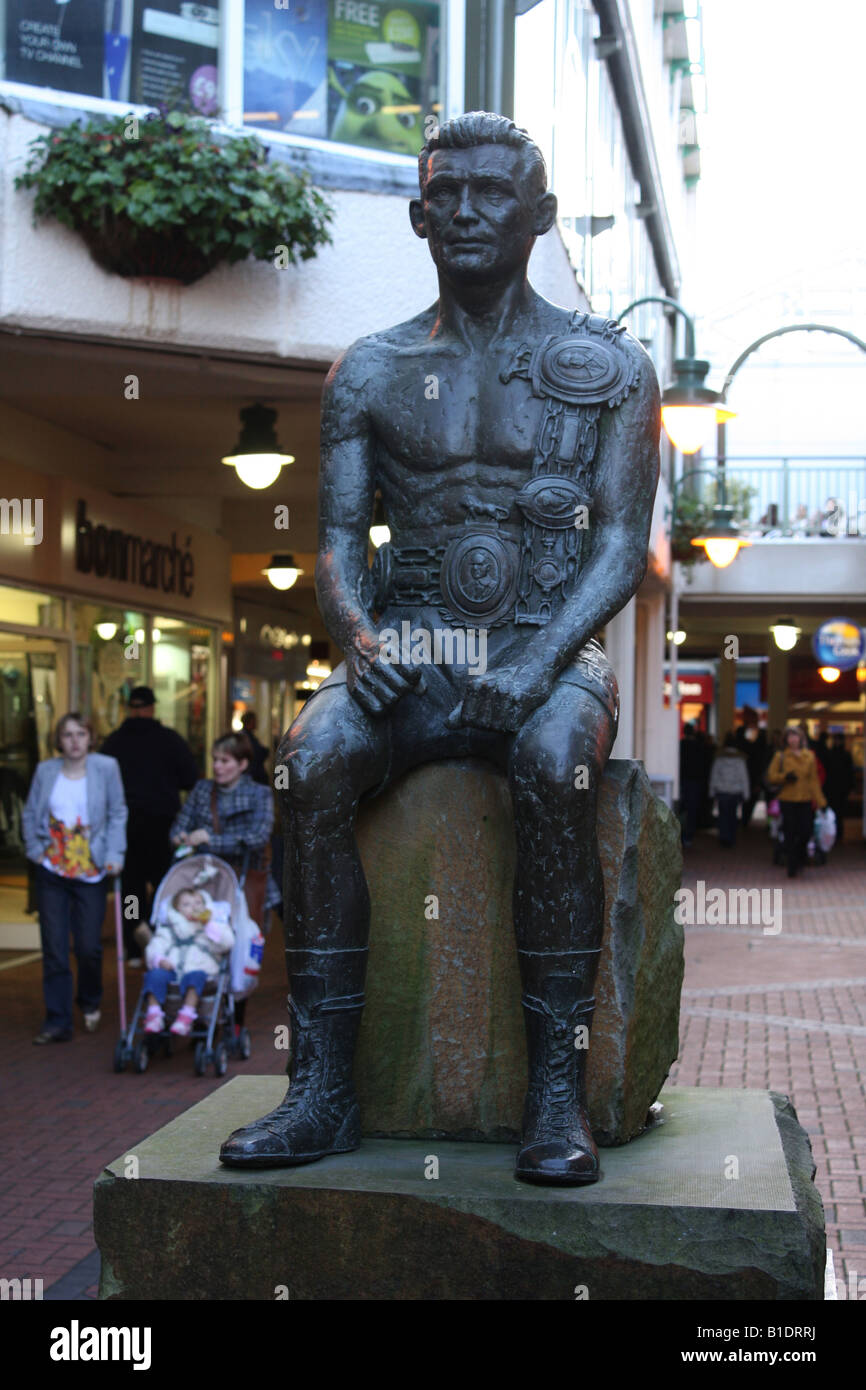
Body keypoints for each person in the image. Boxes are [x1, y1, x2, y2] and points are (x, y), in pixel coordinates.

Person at [219, 112, 660, 1185]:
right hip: (409, 643)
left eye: (491, 193)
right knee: (308, 761)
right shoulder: (366, 372)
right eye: (445, 193)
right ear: (417, 213)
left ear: (539, 216)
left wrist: (540, 657)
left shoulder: (611, 369)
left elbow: (615, 548)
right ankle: (322, 1086)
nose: (465, 211)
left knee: (554, 764)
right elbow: (332, 542)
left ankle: (554, 1095)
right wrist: (357, 636)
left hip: (546, 646)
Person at [22, 712, 127, 1043]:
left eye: (80, 733)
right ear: (59, 740)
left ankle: (90, 1000)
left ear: (91, 737)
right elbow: (30, 813)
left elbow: (117, 812)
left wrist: (114, 854)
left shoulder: (106, 768)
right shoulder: (46, 770)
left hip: (91, 870)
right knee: (54, 947)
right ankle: (57, 1019)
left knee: (88, 947)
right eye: (67, 735)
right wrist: (36, 850)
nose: (74, 740)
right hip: (52, 869)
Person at [170, 732, 275, 1027]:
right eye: (215, 760)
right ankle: (203, 1014)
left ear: (242, 764)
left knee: (239, 947)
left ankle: (234, 1018)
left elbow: (258, 836)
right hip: (205, 883)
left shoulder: (260, 794)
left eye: (224, 761)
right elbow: (179, 824)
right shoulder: (203, 790)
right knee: (202, 940)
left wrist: (211, 839)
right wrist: (180, 837)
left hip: (245, 883)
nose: (217, 767)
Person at [102, 686, 199, 965]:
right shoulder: (169, 740)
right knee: (162, 886)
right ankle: (160, 940)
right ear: (152, 708)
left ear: (129, 708)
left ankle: (135, 945)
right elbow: (190, 778)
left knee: (131, 889)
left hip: (126, 825)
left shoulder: (114, 742)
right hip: (162, 824)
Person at [142, 886, 234, 1036]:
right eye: (186, 904)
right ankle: (154, 1014)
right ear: (176, 910)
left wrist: (209, 925)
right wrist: (159, 960)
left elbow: (227, 943)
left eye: (198, 903)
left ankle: (186, 1015)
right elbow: (155, 946)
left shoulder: (212, 927)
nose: (193, 907)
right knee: (154, 975)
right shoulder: (170, 928)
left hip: (200, 972)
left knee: (195, 978)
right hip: (172, 971)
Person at [766, 727, 827, 878]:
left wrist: (821, 802)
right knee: (790, 831)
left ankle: (799, 856)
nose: (793, 740)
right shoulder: (780, 756)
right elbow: (771, 776)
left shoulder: (809, 757)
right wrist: (785, 777)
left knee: (806, 831)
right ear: (786, 739)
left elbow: (814, 781)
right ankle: (792, 864)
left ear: (801, 739)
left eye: (796, 736)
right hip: (787, 799)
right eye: (790, 737)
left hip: (805, 799)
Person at [709, 733, 751, 847]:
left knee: (722, 814)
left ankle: (723, 836)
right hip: (735, 791)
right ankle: (731, 837)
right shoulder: (740, 760)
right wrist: (746, 793)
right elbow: (744, 777)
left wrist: (712, 790)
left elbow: (714, 775)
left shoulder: (719, 758)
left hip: (722, 790)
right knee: (733, 815)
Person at [679, 723, 703, 847]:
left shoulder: (680, 745)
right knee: (692, 809)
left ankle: (680, 834)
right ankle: (688, 835)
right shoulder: (698, 746)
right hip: (694, 780)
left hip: (682, 779)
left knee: (681, 807)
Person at [239, 712, 269, 786]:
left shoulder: (249, 735)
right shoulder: (244, 736)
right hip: (252, 774)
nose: (256, 723)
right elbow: (257, 753)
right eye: (254, 721)